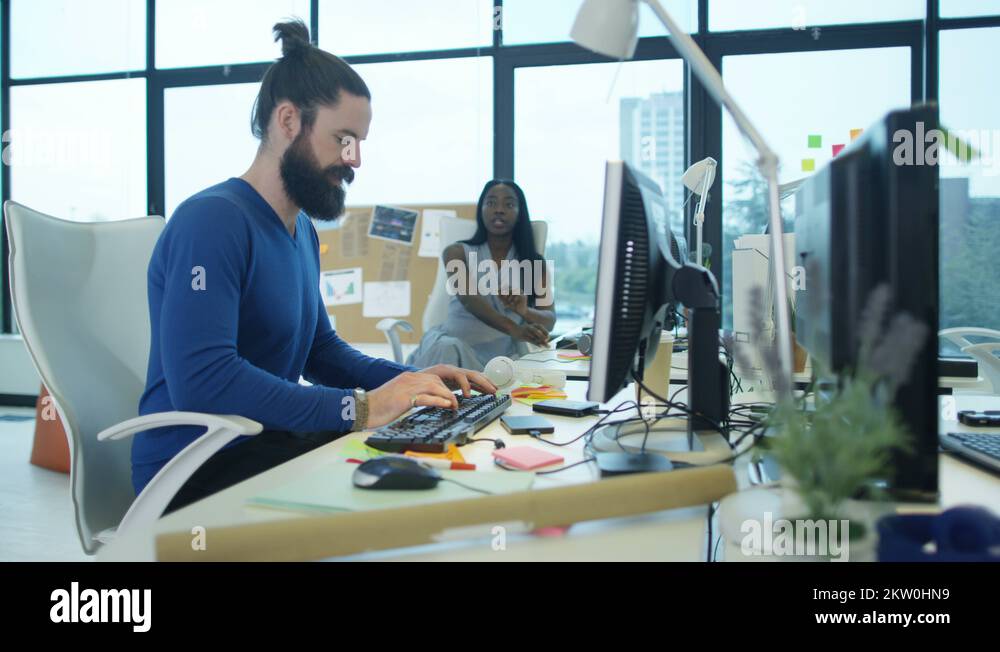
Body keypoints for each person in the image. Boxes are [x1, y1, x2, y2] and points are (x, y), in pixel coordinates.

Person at [132, 19, 496, 513]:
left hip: (262, 445)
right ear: (288, 122)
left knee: (427, 473)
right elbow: (204, 379)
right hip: (193, 471)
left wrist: (413, 381)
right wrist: (361, 408)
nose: (355, 160)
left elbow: (319, 352)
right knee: (384, 503)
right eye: (344, 139)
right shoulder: (212, 220)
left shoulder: (300, 229)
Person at [406, 180, 556, 371]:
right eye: (491, 203)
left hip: (497, 360)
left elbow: (549, 321)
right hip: (448, 348)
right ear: (481, 209)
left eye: (508, 204)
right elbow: (470, 300)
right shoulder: (455, 253)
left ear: (520, 213)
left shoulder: (535, 264)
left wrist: (525, 311)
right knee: (448, 349)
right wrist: (516, 329)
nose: (499, 210)